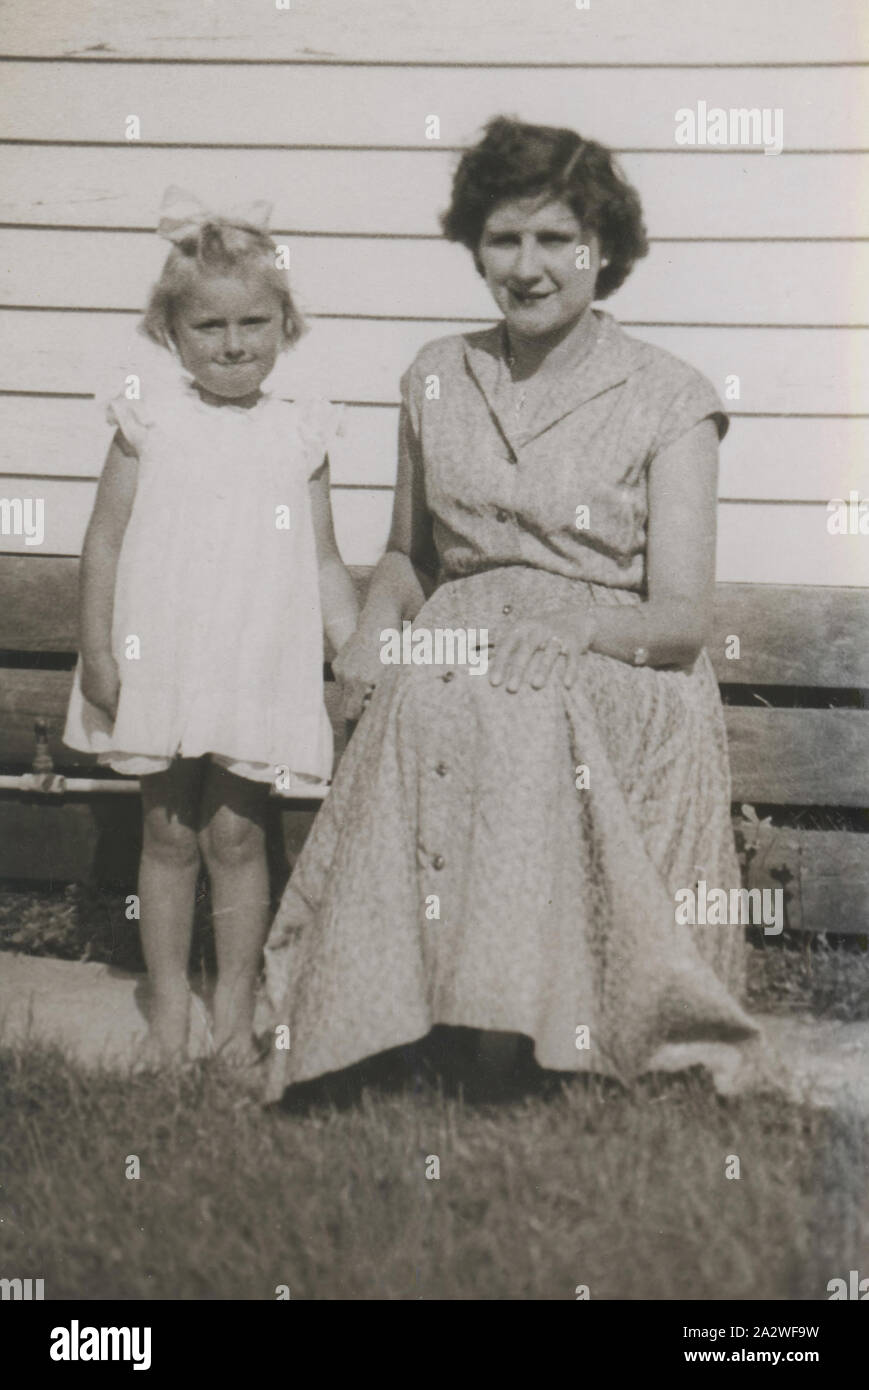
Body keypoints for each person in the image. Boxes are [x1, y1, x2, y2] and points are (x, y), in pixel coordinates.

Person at [262, 117, 767, 1101]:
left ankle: (516, 1042)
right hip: (466, 633)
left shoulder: (668, 397)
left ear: (602, 248)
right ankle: (382, 1020)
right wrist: (370, 634)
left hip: (618, 659)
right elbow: (409, 558)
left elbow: (676, 619)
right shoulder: (435, 376)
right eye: (503, 239)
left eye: (553, 239)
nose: (527, 266)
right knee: (434, 688)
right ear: (474, 247)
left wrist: (573, 629)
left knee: (513, 698)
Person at [64, 187, 359, 1068]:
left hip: (254, 660)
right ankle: (166, 1005)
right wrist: (98, 654)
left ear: (285, 325)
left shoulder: (300, 432)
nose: (233, 346)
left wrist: (351, 651)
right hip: (166, 659)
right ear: (171, 332)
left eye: (254, 325)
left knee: (235, 833)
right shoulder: (146, 423)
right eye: (209, 328)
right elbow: (104, 544)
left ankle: (233, 1005)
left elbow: (322, 561)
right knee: (168, 831)